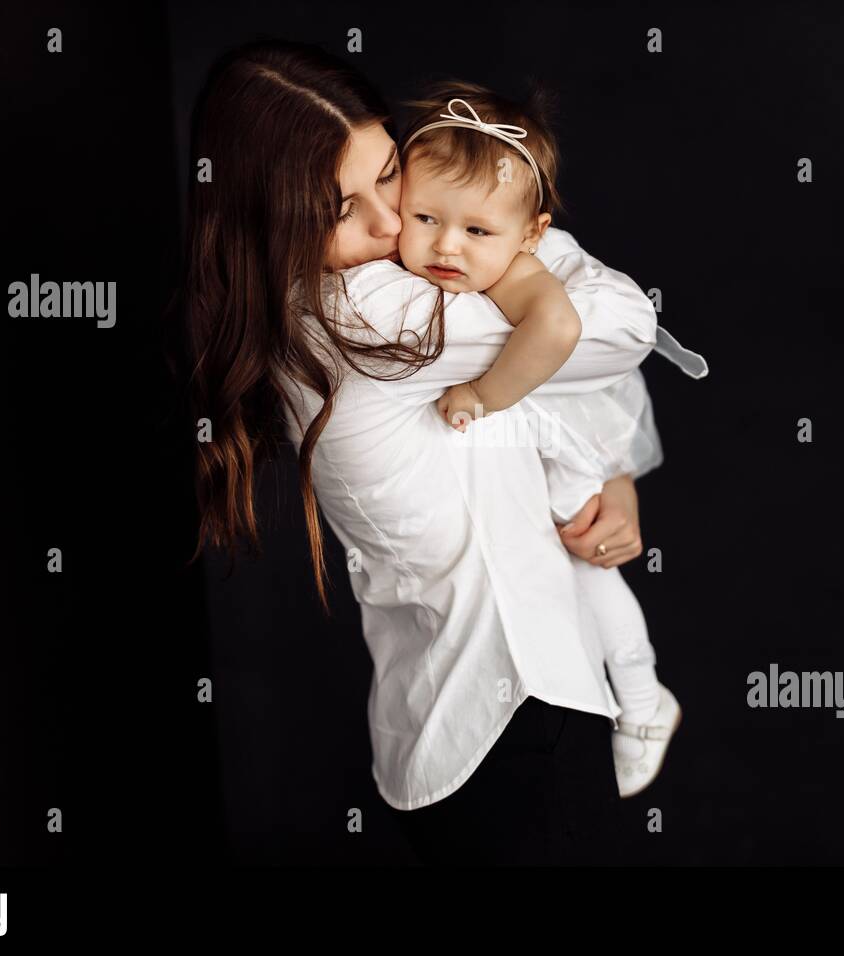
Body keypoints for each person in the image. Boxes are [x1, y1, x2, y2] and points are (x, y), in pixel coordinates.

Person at [175, 39, 684, 864]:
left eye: (386, 177)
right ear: (273, 221)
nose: (390, 226)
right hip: (512, 715)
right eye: (339, 209)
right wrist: (518, 234)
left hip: (456, 722)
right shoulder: (367, 313)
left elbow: (541, 384)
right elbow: (618, 330)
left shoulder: (386, 281)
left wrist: (612, 475)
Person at [390, 80, 708, 795]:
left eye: (476, 231)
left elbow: (561, 330)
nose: (445, 245)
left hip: (554, 427)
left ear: (529, 233)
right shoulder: (433, 261)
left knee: (584, 559)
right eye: (424, 217)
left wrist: (481, 392)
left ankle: (641, 695)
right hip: (515, 453)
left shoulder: (521, 270)